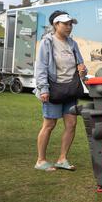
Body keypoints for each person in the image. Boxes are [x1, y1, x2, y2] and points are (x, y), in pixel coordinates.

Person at [34, 11, 87, 172]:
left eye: (71, 24)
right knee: (49, 124)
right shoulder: (47, 42)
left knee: (71, 124)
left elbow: (81, 65)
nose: (69, 27)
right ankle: (41, 161)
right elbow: (41, 67)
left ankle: (62, 159)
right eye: (65, 24)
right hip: (53, 90)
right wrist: (43, 89)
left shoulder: (73, 43)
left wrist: (82, 70)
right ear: (55, 25)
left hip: (70, 90)